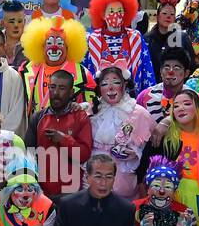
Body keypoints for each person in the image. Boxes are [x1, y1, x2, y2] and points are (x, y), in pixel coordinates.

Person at [89, 65, 156, 199]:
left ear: (124, 85)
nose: (111, 87)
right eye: (105, 83)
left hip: (123, 177)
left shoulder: (139, 112)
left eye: (116, 82)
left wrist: (136, 153)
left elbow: (151, 148)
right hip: (94, 172)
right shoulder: (90, 110)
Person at [25, 67, 92, 198]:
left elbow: (84, 154)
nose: (56, 92)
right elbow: (29, 156)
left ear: (71, 91)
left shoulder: (80, 117)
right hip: (42, 193)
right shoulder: (38, 117)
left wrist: (63, 140)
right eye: (52, 87)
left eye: (62, 88)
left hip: (72, 193)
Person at [83, 0, 154, 93]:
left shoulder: (136, 37)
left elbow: (147, 69)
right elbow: (84, 72)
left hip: (130, 99)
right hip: (99, 101)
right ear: (102, 14)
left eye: (120, 10)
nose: (116, 15)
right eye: (111, 11)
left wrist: (148, 97)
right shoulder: (91, 39)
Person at [21, 13, 91, 115]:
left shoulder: (82, 73)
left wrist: (82, 106)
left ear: (68, 47)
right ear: (42, 46)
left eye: (59, 43)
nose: (54, 48)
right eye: (49, 43)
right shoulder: (26, 69)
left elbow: (92, 104)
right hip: (33, 126)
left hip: (66, 127)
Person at [134, 156, 198, 226]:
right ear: (148, 189)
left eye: (168, 186)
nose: (162, 191)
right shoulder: (133, 210)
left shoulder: (185, 214)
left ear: (174, 191)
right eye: (156, 185)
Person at [136, 45, 194, 129]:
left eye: (176, 68)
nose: (170, 72)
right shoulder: (144, 96)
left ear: (186, 73)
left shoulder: (194, 98)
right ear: (160, 71)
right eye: (166, 67)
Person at [145, 0, 188, 76]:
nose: (168, 16)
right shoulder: (147, 39)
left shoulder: (182, 38)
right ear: (157, 16)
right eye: (164, 13)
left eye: (172, 14)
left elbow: (190, 65)